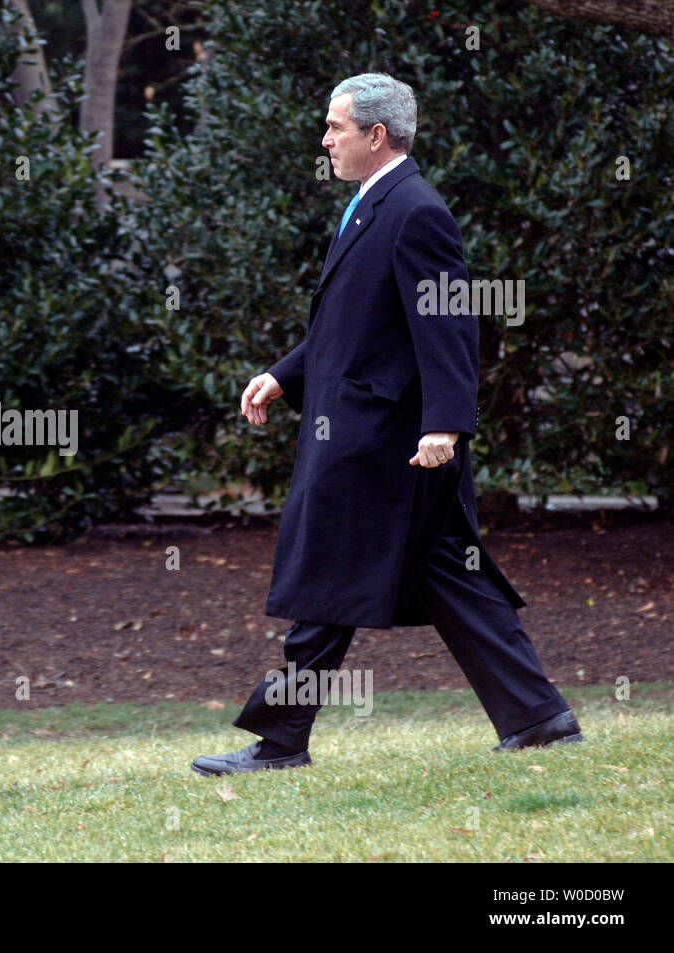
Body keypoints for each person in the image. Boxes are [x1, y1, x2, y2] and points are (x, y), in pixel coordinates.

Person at [192, 73, 582, 777]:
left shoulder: (415, 211)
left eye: (335, 127)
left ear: (375, 136)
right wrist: (284, 373)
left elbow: (449, 326)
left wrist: (447, 426)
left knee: (325, 585)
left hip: (384, 446)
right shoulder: (375, 205)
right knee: (452, 581)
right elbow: (355, 325)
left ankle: (280, 743)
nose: (325, 138)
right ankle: (539, 718)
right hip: (374, 442)